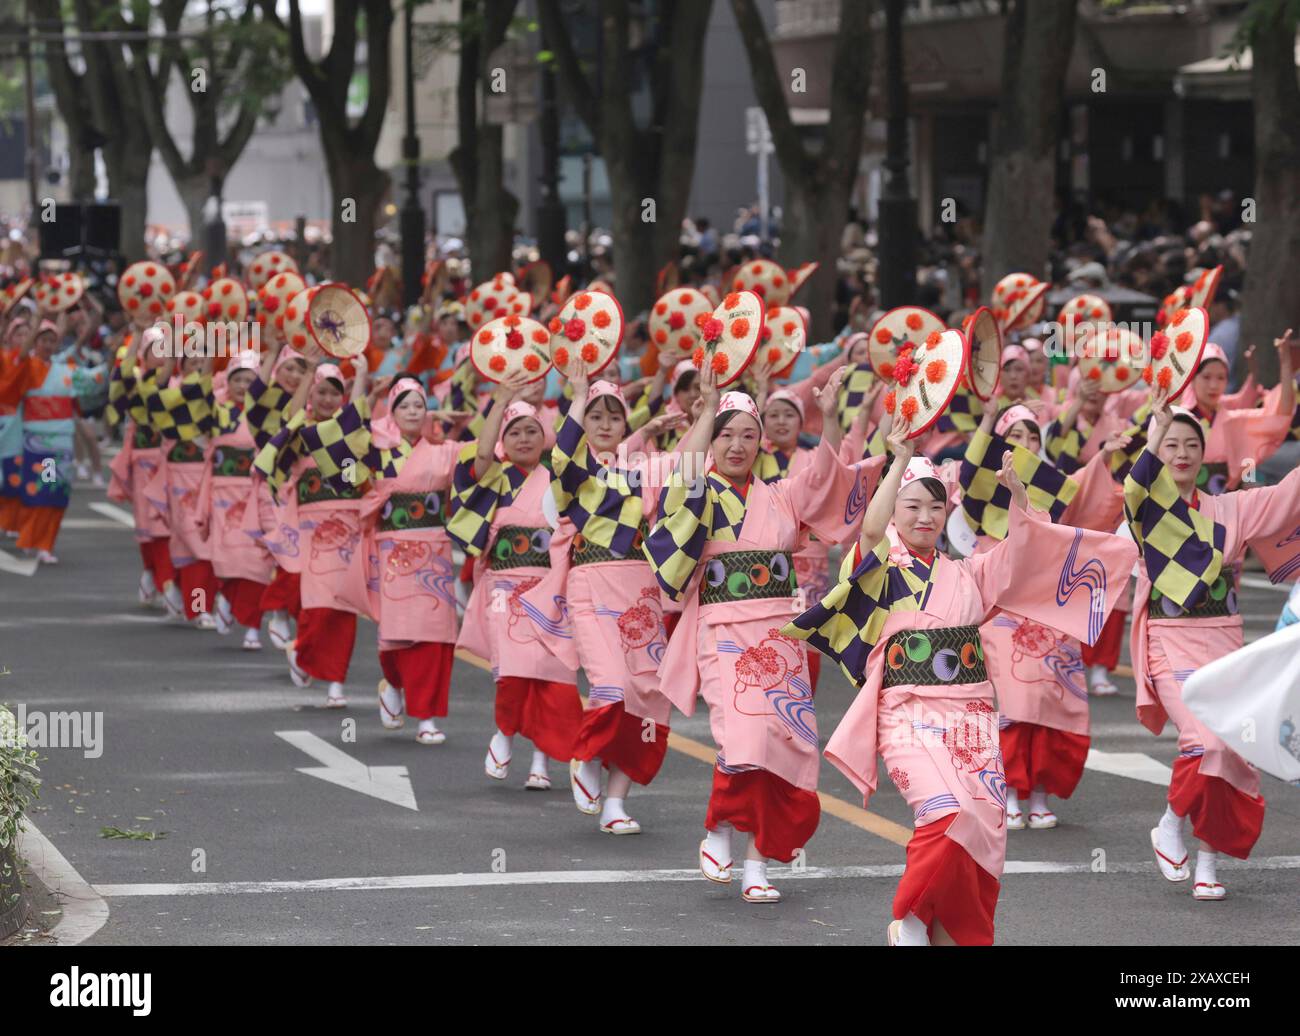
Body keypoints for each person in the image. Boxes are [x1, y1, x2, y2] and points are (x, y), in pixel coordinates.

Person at [785, 419, 1136, 944]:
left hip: (971, 716)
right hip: (907, 714)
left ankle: (944, 925)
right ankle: (910, 916)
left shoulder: (968, 572)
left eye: (934, 507)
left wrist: (1019, 497)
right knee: (946, 813)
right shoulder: (879, 568)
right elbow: (873, 530)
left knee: (984, 826)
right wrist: (900, 459)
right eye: (912, 506)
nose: (925, 517)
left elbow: (1028, 555)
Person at [645, 362, 866, 905]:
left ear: (761, 443)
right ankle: (719, 826)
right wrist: (709, 402)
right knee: (743, 739)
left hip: (781, 633)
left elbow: (822, 484)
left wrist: (832, 421)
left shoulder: (781, 495)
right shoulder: (701, 492)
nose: (738, 445)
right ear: (712, 441)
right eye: (727, 435)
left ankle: (757, 862)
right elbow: (683, 478)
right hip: (722, 628)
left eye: (749, 435)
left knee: (784, 745)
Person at [1125, 362, 1300, 902]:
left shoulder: (1233, 508)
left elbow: (1291, 492)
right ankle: (1171, 822)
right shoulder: (1147, 509)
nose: (1181, 453)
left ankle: (1208, 862)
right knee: (1203, 740)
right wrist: (1154, 429)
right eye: (1171, 444)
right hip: (1170, 640)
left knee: (1230, 749)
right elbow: (1136, 484)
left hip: (1224, 640)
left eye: (1190, 445)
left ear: (1205, 455)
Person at [961, 400, 1129, 829]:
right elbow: (959, 480)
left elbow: (1092, 503)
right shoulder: (981, 483)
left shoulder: (1057, 485)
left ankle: (1038, 792)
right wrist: (984, 420)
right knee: (1013, 699)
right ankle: (1009, 789)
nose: (1025, 444)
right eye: (1015, 437)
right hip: (999, 596)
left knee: (1051, 697)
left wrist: (1105, 457)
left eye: (1033, 437)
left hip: (1050, 596)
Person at [525, 362, 675, 833]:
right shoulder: (574, 473)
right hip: (590, 583)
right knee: (611, 685)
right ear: (582, 424)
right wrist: (576, 393)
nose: (606, 423)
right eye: (595, 416)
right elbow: (566, 454)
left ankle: (616, 803)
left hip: (642, 589)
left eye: (614, 416)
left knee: (648, 697)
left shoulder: (645, 468)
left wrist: (694, 414)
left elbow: (691, 463)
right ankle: (586, 755)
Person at [298, 375, 464, 743]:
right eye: (403, 405)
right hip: (389, 547)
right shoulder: (374, 446)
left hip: (433, 549)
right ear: (391, 411)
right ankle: (392, 683)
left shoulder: (443, 450)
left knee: (436, 635)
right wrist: (361, 385)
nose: (411, 412)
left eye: (418, 405)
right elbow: (334, 441)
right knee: (396, 635)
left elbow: (485, 458)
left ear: (427, 411)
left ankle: (427, 719)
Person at [449, 373, 582, 790]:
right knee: (513, 672)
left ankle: (541, 762)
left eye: (532, 430)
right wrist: (501, 399)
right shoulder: (495, 477)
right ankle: (505, 733)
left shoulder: (557, 477)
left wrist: (579, 395)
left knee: (551, 675)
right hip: (504, 588)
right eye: (515, 432)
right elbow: (482, 455)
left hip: (549, 586)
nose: (524, 438)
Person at [253, 345, 371, 707]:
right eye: (321, 390)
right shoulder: (300, 431)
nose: (327, 398)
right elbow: (289, 413)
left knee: (345, 607)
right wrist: (310, 372)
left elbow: (360, 421)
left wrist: (362, 374)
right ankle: (302, 650)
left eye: (335, 392)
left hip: (348, 529)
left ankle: (336, 681)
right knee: (318, 604)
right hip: (311, 532)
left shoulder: (350, 433)